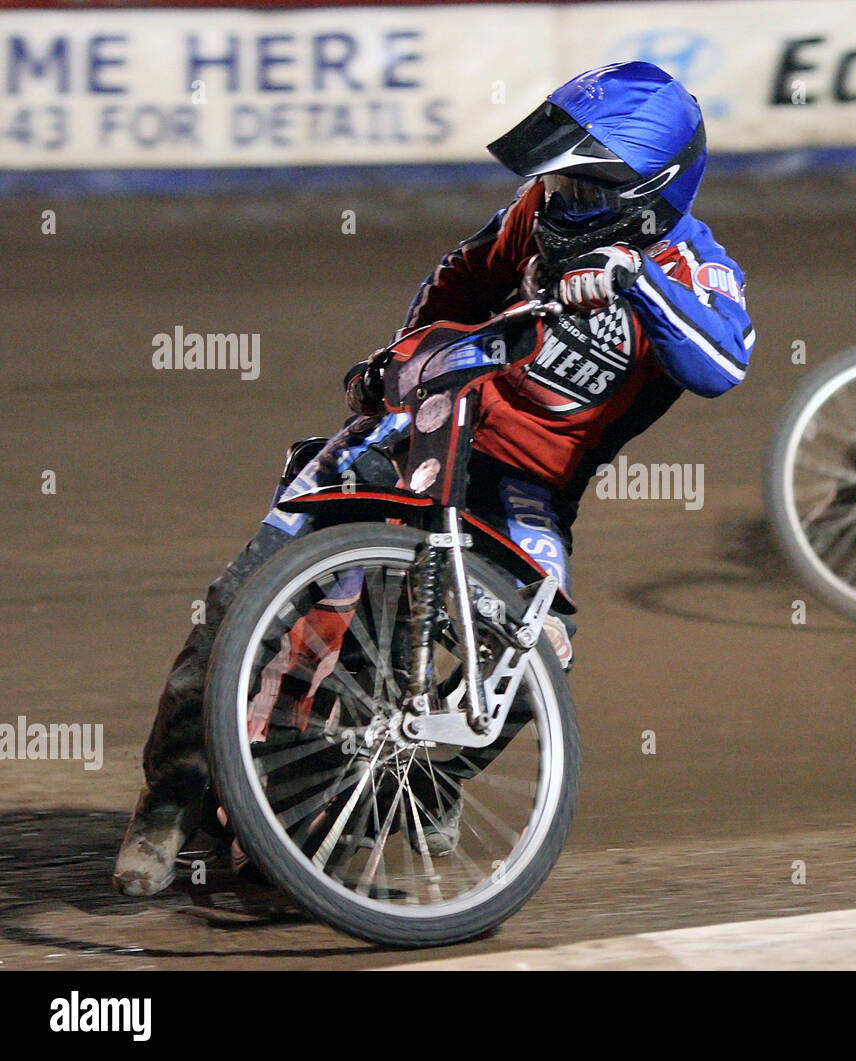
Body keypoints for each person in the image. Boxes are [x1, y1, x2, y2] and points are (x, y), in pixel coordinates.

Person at [114, 61, 754, 897]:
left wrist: (639, 283)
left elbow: (721, 363)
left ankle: (402, 793)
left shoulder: (702, 271)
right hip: (435, 426)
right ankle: (175, 793)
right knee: (250, 593)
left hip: (528, 493)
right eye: (560, 186)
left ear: (649, 193)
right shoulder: (534, 213)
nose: (561, 204)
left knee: (543, 653)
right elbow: (460, 276)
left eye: (585, 191)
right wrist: (403, 361)